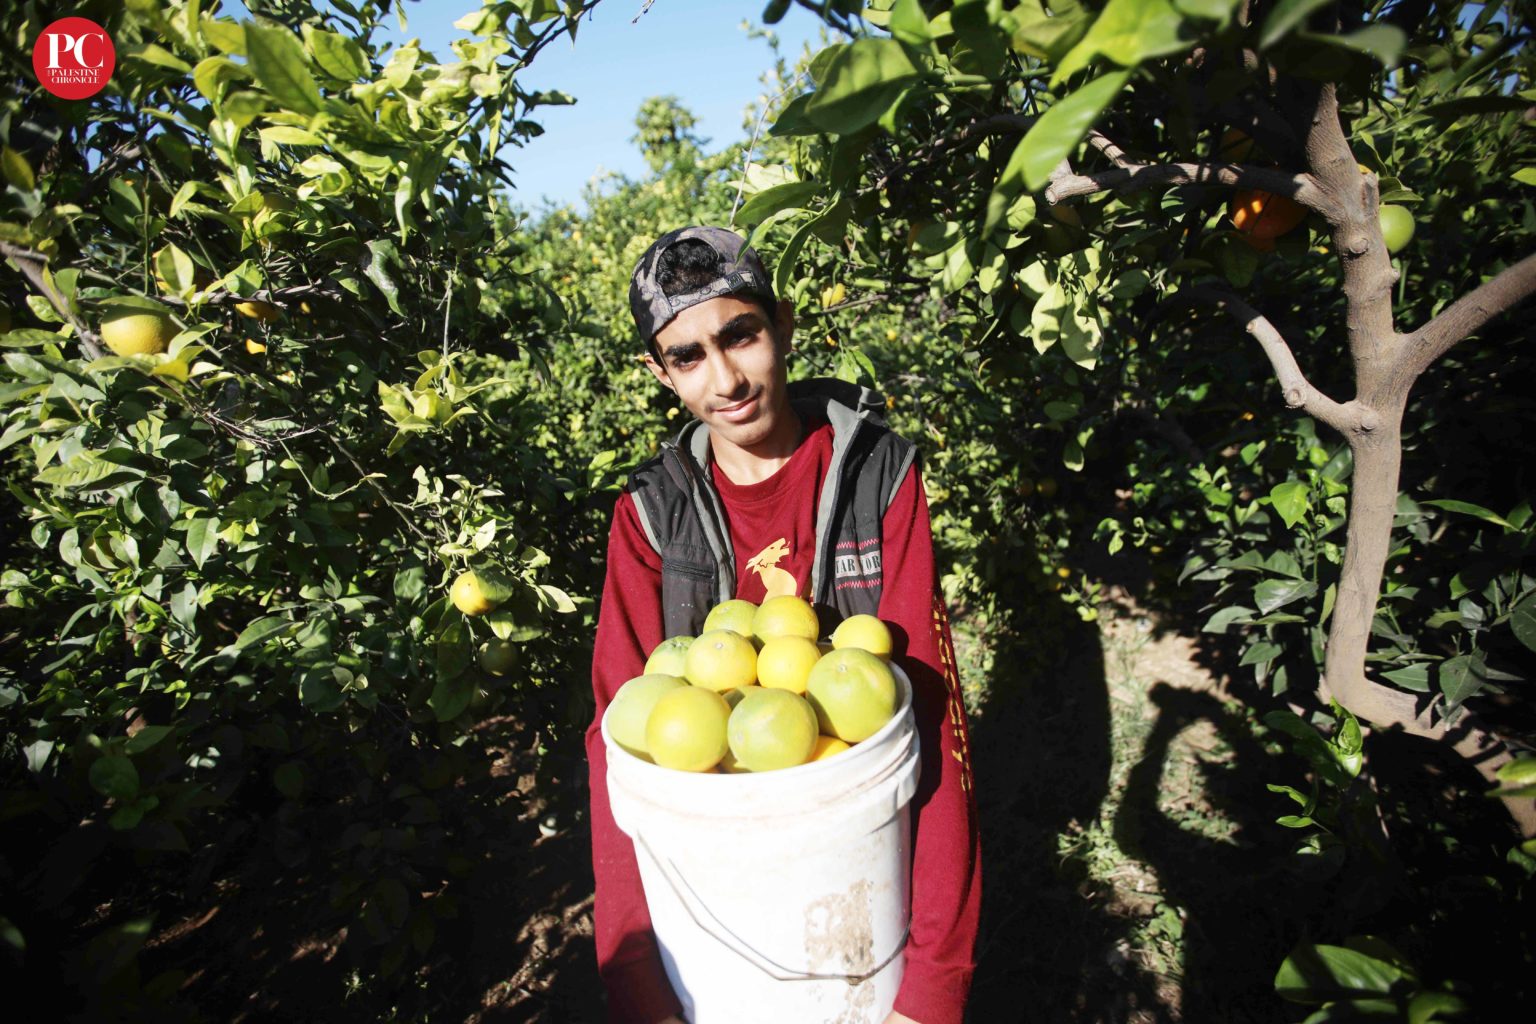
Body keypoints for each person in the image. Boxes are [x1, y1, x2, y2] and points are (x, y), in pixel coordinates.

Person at [584, 226, 981, 1024]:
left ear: (785, 325)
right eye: (689, 356)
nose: (726, 379)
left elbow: (934, 719)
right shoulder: (650, 515)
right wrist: (637, 986)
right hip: (718, 913)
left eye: (741, 335)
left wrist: (934, 987)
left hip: (859, 879)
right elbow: (615, 745)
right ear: (659, 372)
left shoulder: (878, 477)